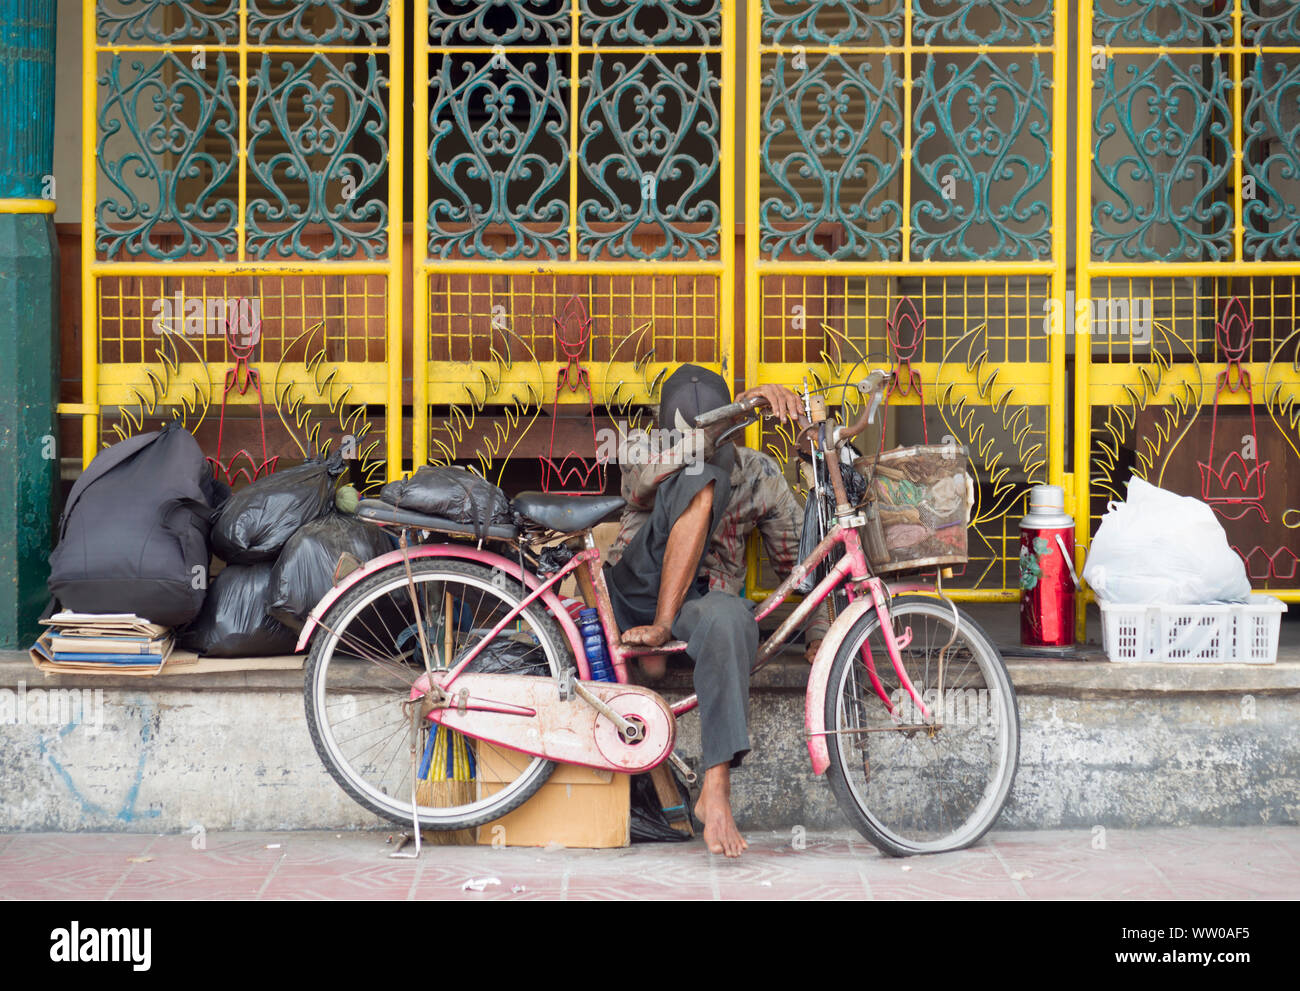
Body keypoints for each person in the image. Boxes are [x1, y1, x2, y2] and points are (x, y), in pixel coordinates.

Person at [604, 364, 828, 858]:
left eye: (717, 432)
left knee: (730, 619)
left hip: (703, 600)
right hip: (636, 590)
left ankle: (716, 789)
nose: (710, 444)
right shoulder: (642, 449)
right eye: (688, 430)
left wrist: (818, 632)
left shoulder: (757, 473)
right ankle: (658, 635)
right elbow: (642, 484)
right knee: (698, 480)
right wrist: (710, 433)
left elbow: (799, 563)